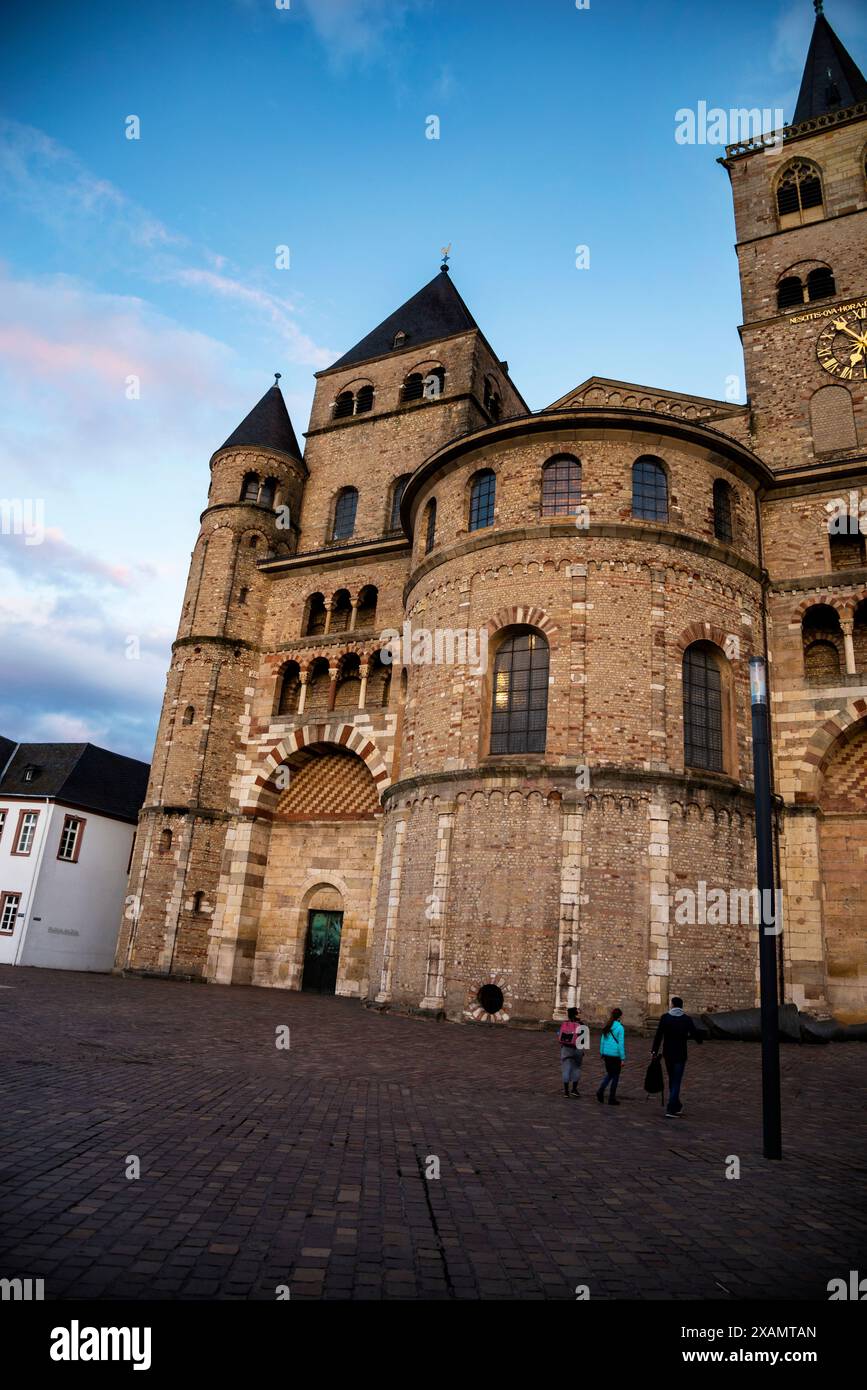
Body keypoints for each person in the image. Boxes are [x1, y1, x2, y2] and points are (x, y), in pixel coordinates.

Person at [651, 995, 703, 1117]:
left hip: (668, 1053)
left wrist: (654, 1051)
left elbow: (659, 1036)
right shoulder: (686, 1019)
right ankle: (671, 1108)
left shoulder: (665, 1018)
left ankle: (676, 1105)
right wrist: (697, 1038)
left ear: (673, 1005)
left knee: (672, 1079)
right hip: (680, 1054)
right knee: (676, 1081)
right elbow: (695, 1035)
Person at [596, 1007, 626, 1106]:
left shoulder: (608, 1025)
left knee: (610, 1074)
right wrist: (622, 1058)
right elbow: (621, 1044)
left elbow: (602, 1040)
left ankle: (600, 1091)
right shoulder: (620, 1028)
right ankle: (611, 1098)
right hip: (615, 1055)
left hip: (607, 1054)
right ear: (620, 1017)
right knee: (615, 1076)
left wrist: (602, 1052)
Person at [558, 1006, 584, 1098]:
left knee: (566, 1069)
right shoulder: (581, 1024)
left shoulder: (564, 1024)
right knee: (576, 1068)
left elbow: (559, 1035)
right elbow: (584, 1040)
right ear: (576, 1014)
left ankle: (566, 1092)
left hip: (566, 1048)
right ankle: (574, 1089)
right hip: (577, 1049)